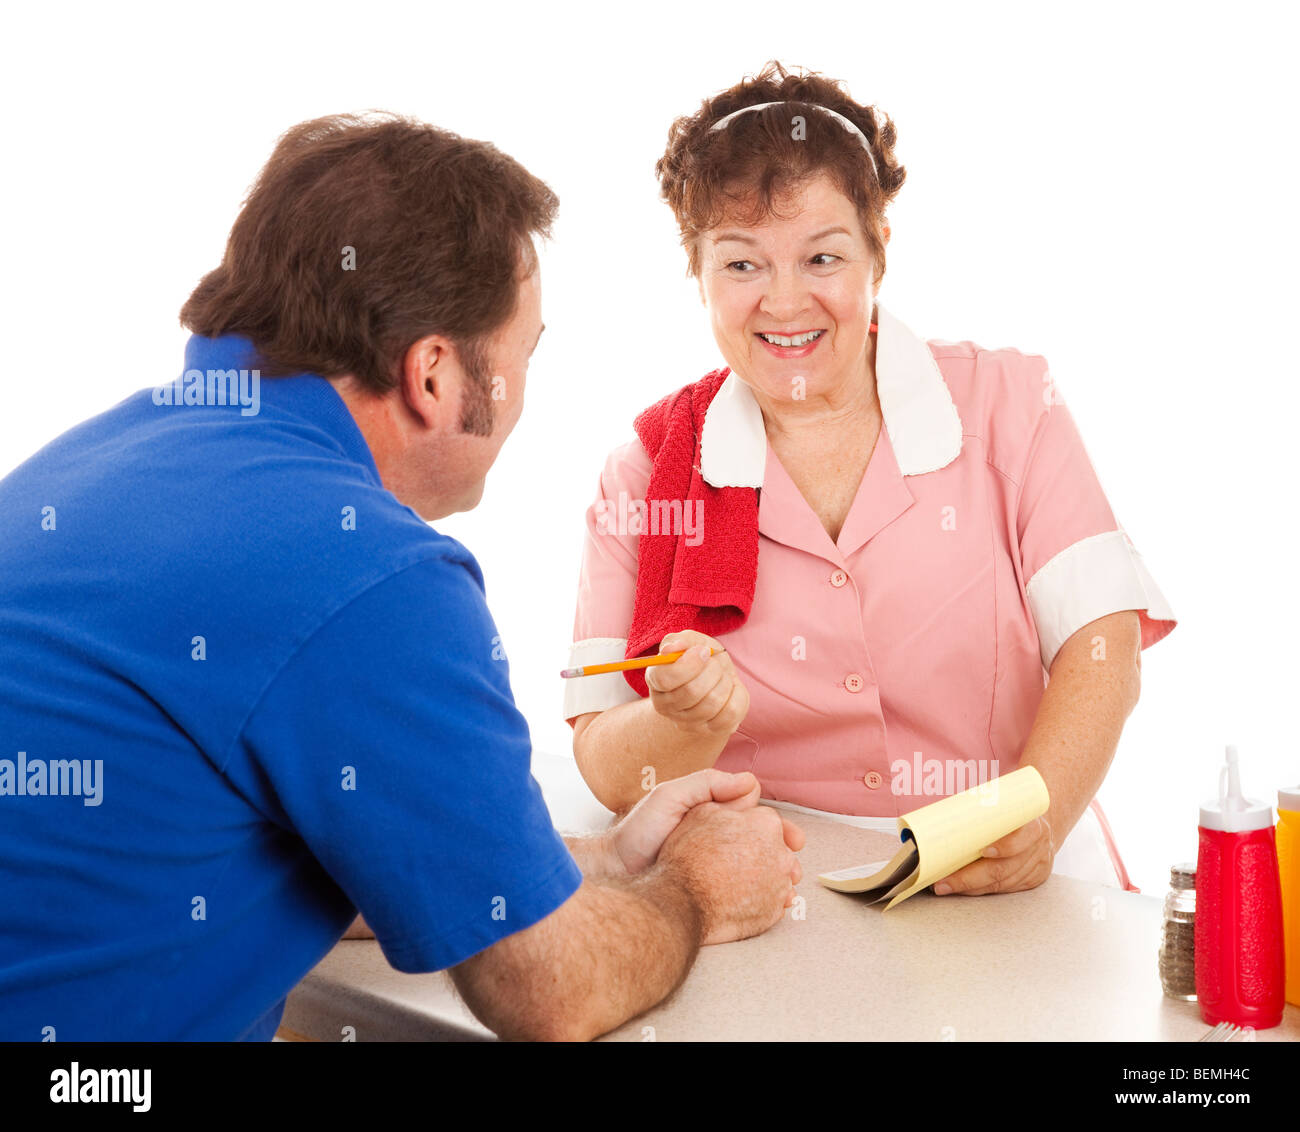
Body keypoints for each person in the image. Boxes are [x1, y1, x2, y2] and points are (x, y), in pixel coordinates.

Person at [0, 112, 803, 1042]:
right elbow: (551, 995)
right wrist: (694, 890)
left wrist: (594, 862)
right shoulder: (366, 573)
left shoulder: (82, 469)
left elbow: (211, 846)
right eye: (525, 353)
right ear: (434, 374)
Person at [564, 62, 1177, 897]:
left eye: (821, 257)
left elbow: (1103, 649)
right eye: (742, 265)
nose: (785, 304)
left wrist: (1041, 815)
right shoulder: (647, 475)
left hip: (1013, 872)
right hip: (777, 895)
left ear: (877, 252)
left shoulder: (1009, 405)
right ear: (697, 273)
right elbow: (605, 764)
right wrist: (676, 720)